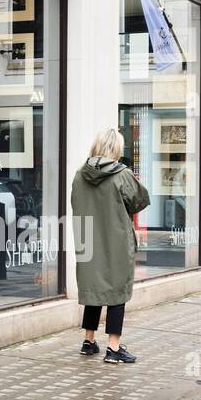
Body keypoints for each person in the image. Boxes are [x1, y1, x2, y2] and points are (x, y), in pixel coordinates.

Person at [72, 127, 149, 364]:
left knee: (95, 288)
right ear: (116, 148)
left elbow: (76, 203)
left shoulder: (79, 174)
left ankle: (89, 341)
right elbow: (139, 200)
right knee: (117, 291)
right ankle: (113, 348)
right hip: (116, 240)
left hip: (88, 239)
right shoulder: (121, 173)